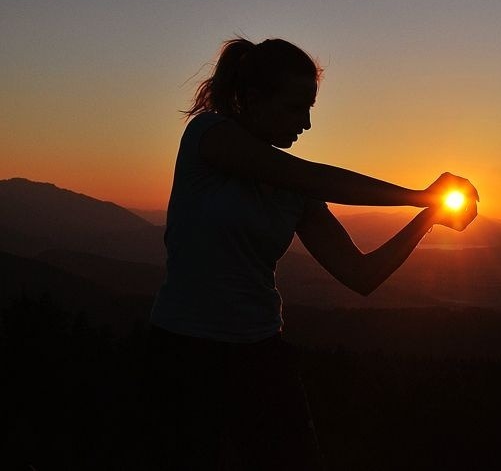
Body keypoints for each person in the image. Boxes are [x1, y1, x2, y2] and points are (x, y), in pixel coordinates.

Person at [143, 37, 478, 470]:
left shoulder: (296, 191)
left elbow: (361, 274)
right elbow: (311, 177)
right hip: (183, 349)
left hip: (260, 353)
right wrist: (418, 195)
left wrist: (429, 216)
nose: (306, 123)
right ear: (253, 99)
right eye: (294, 107)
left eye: (311, 109)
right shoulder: (208, 136)